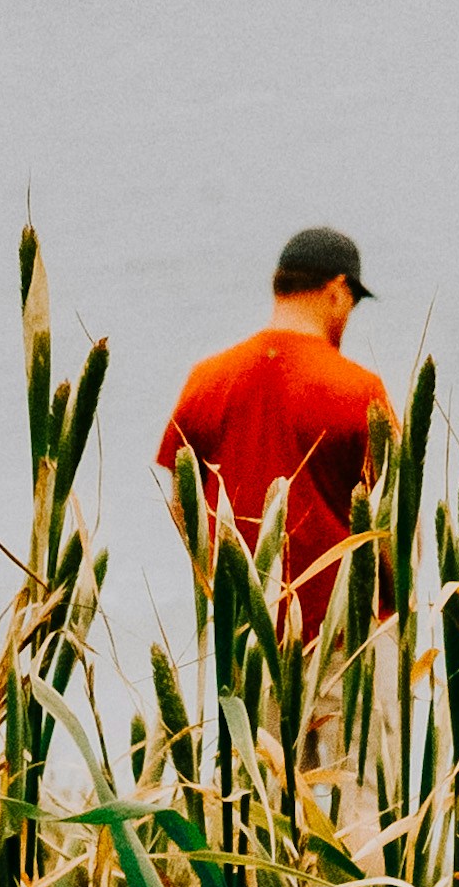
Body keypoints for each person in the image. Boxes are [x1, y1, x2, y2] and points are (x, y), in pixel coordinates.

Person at [159, 225, 384, 629]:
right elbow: (393, 513)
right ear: (337, 290)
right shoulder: (360, 389)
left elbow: (183, 499)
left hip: (242, 639)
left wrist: (216, 581)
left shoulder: (207, 379)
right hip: (343, 643)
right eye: (352, 302)